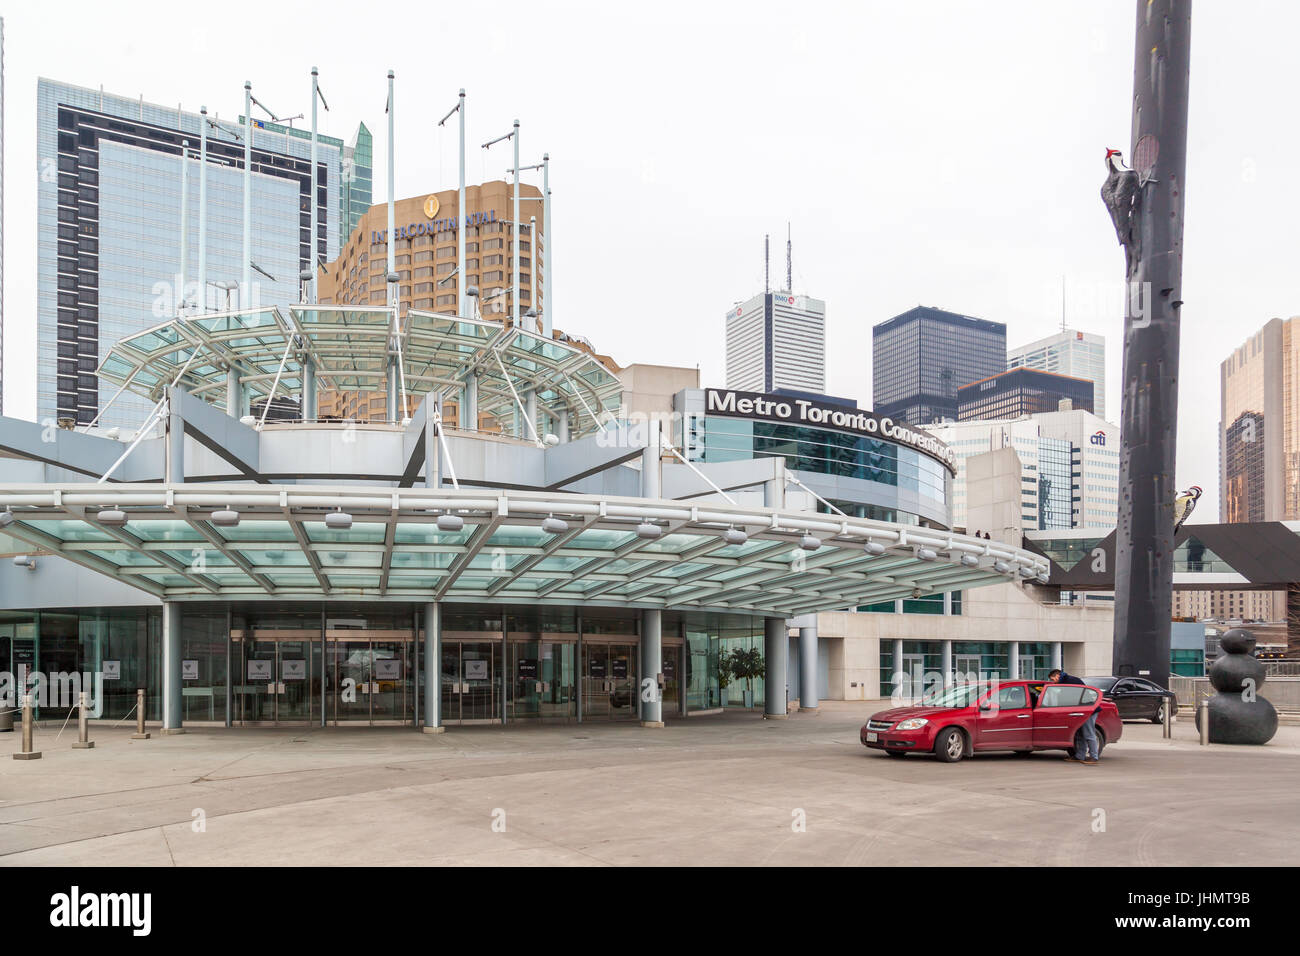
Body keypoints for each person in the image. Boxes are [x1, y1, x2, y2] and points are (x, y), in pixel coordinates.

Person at [1047, 668, 1101, 765]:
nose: (1053, 681)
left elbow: (1071, 697)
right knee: (1080, 734)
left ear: (1058, 675)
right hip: (1080, 709)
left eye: (1053, 679)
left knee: (1088, 733)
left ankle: (1094, 757)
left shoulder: (1070, 681)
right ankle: (1079, 756)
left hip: (1088, 709)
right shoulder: (1065, 682)